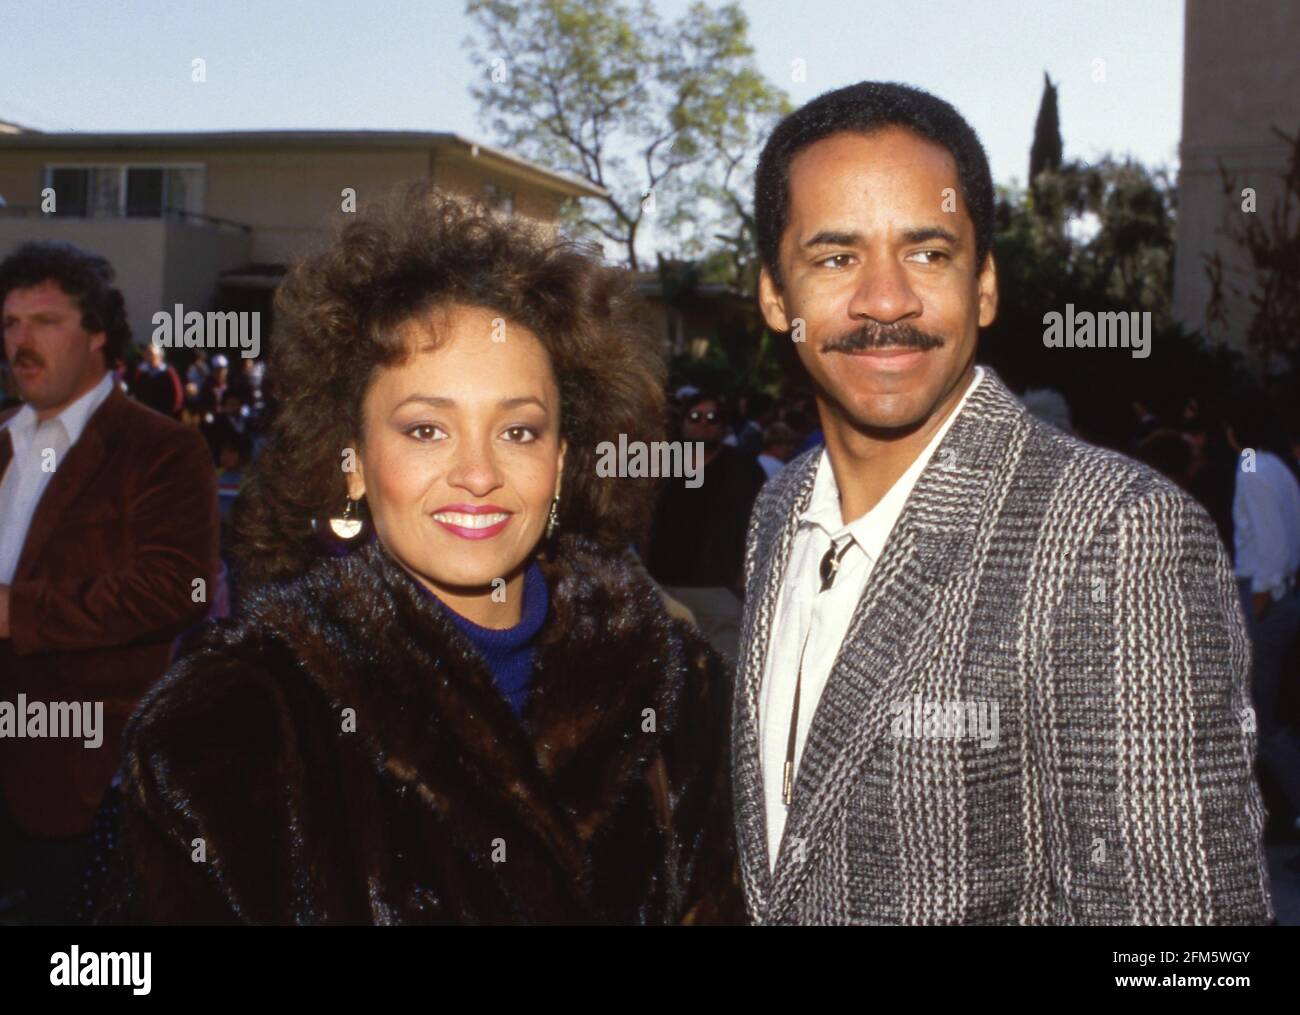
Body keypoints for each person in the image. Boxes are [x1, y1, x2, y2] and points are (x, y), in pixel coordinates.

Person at [96, 183, 741, 925]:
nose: (477, 471)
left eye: (519, 431)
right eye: (426, 429)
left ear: (563, 462)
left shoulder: (675, 689)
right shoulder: (232, 721)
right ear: (352, 460)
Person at [733, 81, 1272, 925]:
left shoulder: (1117, 536)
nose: (885, 300)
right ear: (775, 296)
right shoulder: (777, 514)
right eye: (836, 257)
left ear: (984, 285)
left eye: (928, 253)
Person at [0, 240, 219, 925]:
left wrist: (17, 612)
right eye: (9, 323)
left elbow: (175, 588)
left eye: (44, 321)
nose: (21, 341)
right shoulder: (3, 440)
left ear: (98, 334)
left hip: (80, 780)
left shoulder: (160, 449)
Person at [645, 391, 767, 664]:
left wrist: (742, 582)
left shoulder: (744, 468)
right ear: (683, 421)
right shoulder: (661, 461)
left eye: (713, 418)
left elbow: (759, 525)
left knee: (723, 678)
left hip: (718, 592)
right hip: (662, 587)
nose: (703, 423)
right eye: (695, 417)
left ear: (724, 426)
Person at [1224, 397, 1300, 828]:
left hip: (1264, 598)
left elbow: (1266, 541)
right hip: (1280, 594)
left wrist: (1259, 600)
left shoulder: (1251, 464)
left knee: (1258, 715)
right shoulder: (1277, 466)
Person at [129, 341, 183, 418]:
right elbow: (135, 389)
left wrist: (172, 411)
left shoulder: (168, 372)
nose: (148, 357)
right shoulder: (141, 371)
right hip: (145, 412)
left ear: (159, 356)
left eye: (151, 354)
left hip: (164, 413)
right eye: (146, 354)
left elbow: (177, 394)